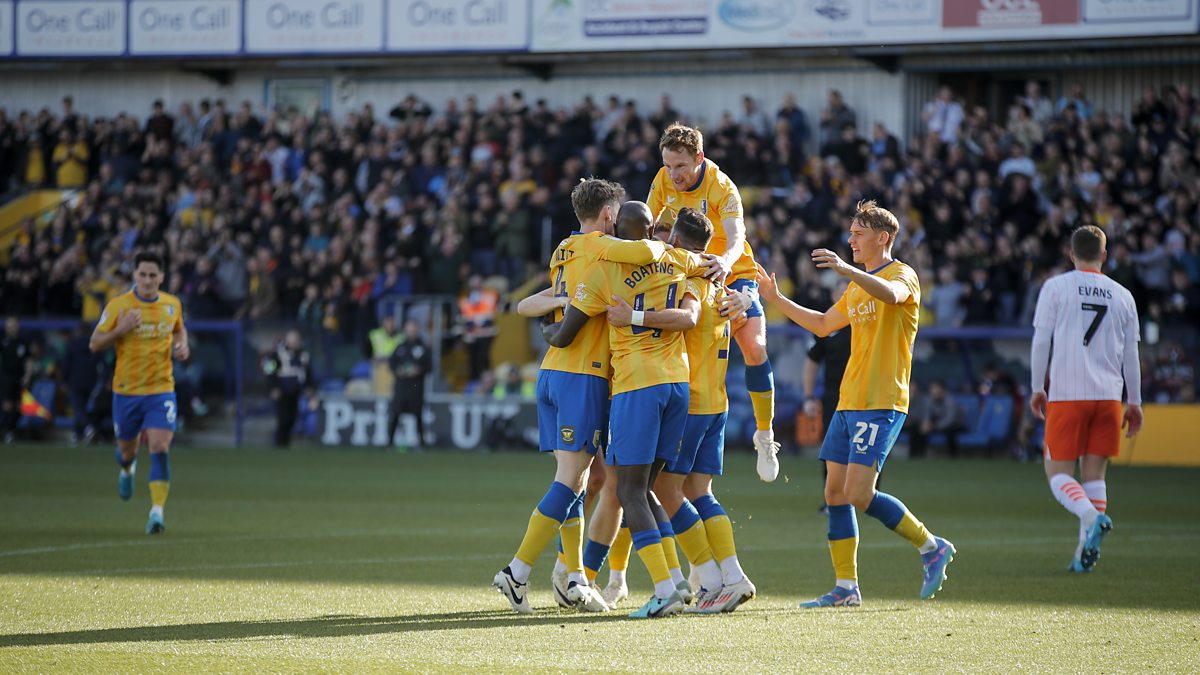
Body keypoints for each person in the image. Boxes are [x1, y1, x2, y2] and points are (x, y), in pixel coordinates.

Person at [758, 200, 955, 607]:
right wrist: (776, 300)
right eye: (850, 234)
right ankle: (846, 588)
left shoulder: (904, 275)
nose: (850, 240)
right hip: (849, 401)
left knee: (860, 494)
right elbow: (824, 325)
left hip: (882, 400)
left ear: (882, 238)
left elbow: (893, 294)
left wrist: (848, 271)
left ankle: (931, 545)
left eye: (858, 234)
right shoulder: (856, 286)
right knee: (834, 492)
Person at [492, 179, 666, 615]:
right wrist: (677, 251)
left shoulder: (562, 250)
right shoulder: (600, 247)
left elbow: (546, 302)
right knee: (570, 480)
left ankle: (572, 579)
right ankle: (516, 572)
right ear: (609, 216)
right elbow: (649, 252)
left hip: (552, 371)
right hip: (583, 374)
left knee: (580, 480)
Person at [543, 204, 711, 619]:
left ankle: (663, 589)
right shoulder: (677, 259)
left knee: (628, 491)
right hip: (677, 385)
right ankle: (676, 579)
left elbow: (564, 335)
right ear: (654, 228)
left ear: (614, 229)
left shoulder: (605, 267)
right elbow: (694, 297)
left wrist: (546, 326)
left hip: (637, 386)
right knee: (646, 488)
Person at [606, 216, 758, 613]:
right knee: (698, 492)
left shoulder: (688, 281)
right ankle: (733, 575)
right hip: (717, 402)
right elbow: (745, 300)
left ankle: (709, 578)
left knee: (665, 490)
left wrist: (634, 316)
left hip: (690, 400)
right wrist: (749, 296)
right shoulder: (719, 280)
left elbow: (686, 317)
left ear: (674, 240)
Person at [647, 122, 781, 483]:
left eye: (680, 166)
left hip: (733, 274)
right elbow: (648, 228)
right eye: (668, 165)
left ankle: (765, 434)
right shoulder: (662, 180)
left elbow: (737, 237)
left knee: (754, 347)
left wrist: (725, 261)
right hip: (688, 273)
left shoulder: (722, 186)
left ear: (699, 158)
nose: (673, 174)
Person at [1029, 225, 1143, 573]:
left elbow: (1041, 341)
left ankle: (1092, 517)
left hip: (1068, 393)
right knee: (1094, 476)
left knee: (1057, 474)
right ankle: (1083, 557)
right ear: (1105, 256)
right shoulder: (1123, 295)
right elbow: (1131, 357)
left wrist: (1037, 387)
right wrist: (1134, 401)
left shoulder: (1056, 287)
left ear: (1071, 253)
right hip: (1108, 397)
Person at [90, 251, 190, 535]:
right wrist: (120, 329)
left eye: (152, 275)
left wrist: (183, 345)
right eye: (142, 274)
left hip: (161, 389)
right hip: (127, 392)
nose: (147, 280)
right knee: (127, 450)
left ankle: (156, 513)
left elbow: (180, 330)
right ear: (134, 275)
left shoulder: (172, 305)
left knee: (159, 446)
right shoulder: (119, 305)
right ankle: (126, 467)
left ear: (162, 277)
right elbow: (95, 343)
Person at [803, 276, 851, 512]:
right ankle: (832, 500)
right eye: (840, 294)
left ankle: (864, 498)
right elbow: (812, 361)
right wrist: (809, 396)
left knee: (863, 449)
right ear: (833, 297)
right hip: (834, 395)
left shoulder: (866, 322)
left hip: (864, 395)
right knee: (832, 448)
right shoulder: (828, 327)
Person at [387, 319, 432, 450]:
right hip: (401, 386)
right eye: (409, 329)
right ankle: (390, 443)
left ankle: (421, 443)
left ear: (417, 330)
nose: (411, 332)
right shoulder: (400, 347)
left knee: (418, 415)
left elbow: (429, 367)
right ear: (406, 331)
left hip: (416, 387)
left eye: (413, 329)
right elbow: (392, 364)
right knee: (396, 414)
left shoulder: (423, 348)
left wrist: (419, 370)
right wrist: (397, 370)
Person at [265, 330, 313, 448]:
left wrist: (309, 387)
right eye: (294, 341)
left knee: (292, 418)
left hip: (296, 391)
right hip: (282, 391)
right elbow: (269, 370)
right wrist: (274, 387)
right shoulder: (278, 354)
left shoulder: (303, 354)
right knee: (283, 418)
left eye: (297, 341)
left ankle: (285, 443)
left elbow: (308, 373)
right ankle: (280, 443)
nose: (296, 343)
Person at [62, 321, 99, 444]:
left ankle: (88, 428)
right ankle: (76, 434)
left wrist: (64, 380)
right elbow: (98, 361)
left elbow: (67, 364)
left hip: (75, 381)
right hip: (90, 381)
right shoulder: (93, 345)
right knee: (81, 407)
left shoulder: (73, 345)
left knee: (78, 408)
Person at [908, 380, 964, 458]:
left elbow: (949, 420)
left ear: (942, 389)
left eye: (935, 388)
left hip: (955, 425)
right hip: (937, 425)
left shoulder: (950, 401)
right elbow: (927, 414)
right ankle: (917, 455)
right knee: (917, 429)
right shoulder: (930, 400)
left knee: (950, 432)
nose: (932, 391)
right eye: (932, 388)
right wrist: (926, 424)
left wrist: (934, 426)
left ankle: (953, 456)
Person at [0, 317, 33, 443]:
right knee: (7, 405)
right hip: (6, 377)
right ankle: (7, 431)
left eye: (13, 325)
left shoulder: (23, 341)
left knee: (20, 407)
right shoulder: (3, 340)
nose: (11, 328)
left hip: (20, 377)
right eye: (9, 325)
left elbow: (28, 360)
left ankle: (9, 430)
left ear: (18, 326)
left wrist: (27, 376)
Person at [365, 315, 404, 396]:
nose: (391, 325)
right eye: (388, 322)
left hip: (394, 369)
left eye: (392, 322)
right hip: (378, 368)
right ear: (383, 323)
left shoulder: (401, 337)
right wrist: (372, 358)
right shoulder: (374, 335)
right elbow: (367, 351)